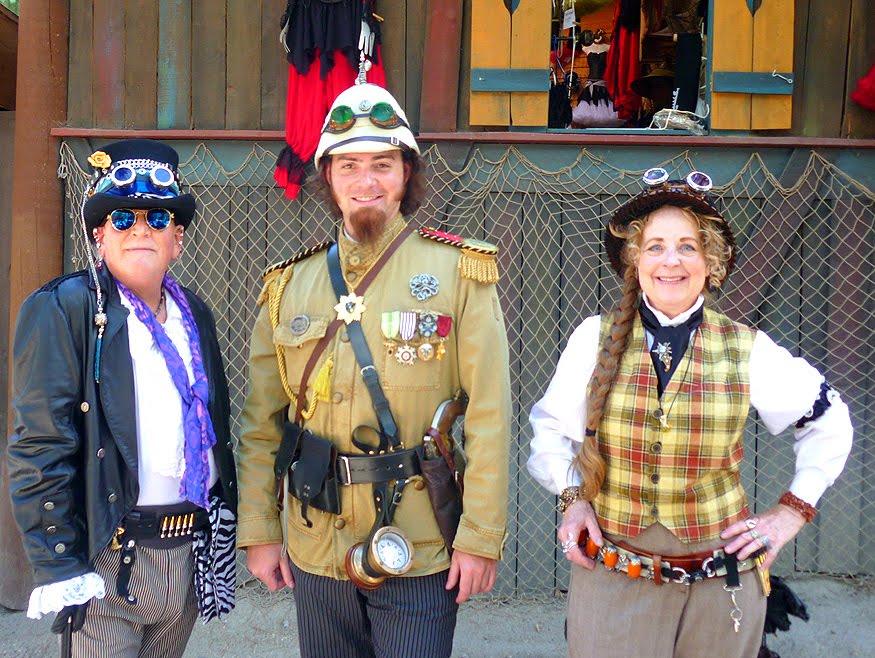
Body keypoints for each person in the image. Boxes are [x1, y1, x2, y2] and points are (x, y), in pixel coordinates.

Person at [527, 168, 853, 658]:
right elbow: (550, 430)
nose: (671, 261)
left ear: (710, 260)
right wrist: (573, 500)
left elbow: (829, 420)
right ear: (635, 259)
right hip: (614, 575)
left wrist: (790, 513)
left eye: (687, 247)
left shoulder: (747, 349)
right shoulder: (593, 338)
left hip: (721, 587)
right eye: (655, 247)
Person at [237, 82, 511, 658]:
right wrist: (259, 528)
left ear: (406, 174)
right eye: (349, 166)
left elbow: (490, 415)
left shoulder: (460, 271)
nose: (366, 181)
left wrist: (480, 536)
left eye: (382, 165)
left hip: (418, 535)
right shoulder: (288, 285)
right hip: (316, 535)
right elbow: (262, 423)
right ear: (328, 177)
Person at [8, 139, 237, 658]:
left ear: (177, 240)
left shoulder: (195, 313)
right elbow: (39, 443)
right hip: (108, 559)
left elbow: (216, 425)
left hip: (187, 550)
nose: (139, 229)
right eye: (121, 218)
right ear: (99, 235)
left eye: (157, 218)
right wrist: (60, 562)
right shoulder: (64, 307)